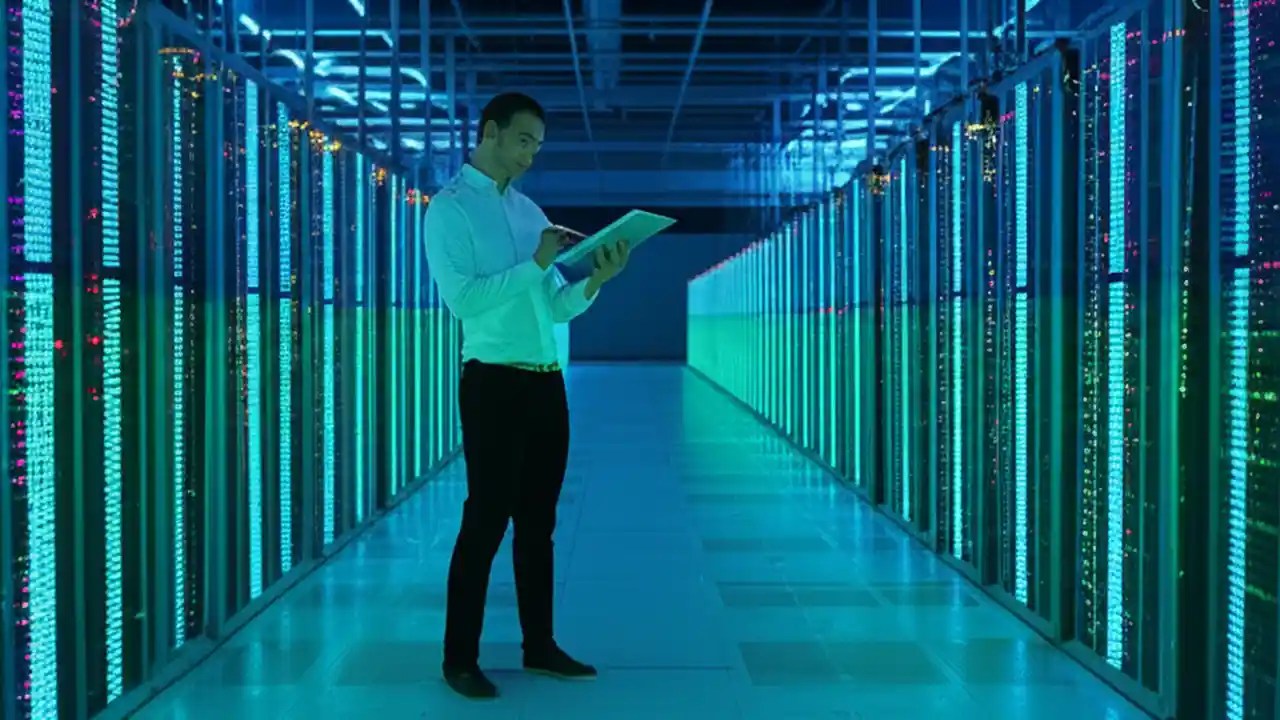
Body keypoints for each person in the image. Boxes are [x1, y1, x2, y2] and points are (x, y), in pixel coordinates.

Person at [424, 91, 629, 700]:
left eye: (538, 145)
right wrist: (538, 262)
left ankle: (539, 646)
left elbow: (552, 309)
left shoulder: (530, 211)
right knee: (485, 521)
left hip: (544, 382)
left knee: (538, 524)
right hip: (492, 383)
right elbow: (464, 300)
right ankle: (458, 657)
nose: (531, 154)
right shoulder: (449, 210)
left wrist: (596, 279)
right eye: (523, 141)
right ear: (489, 132)